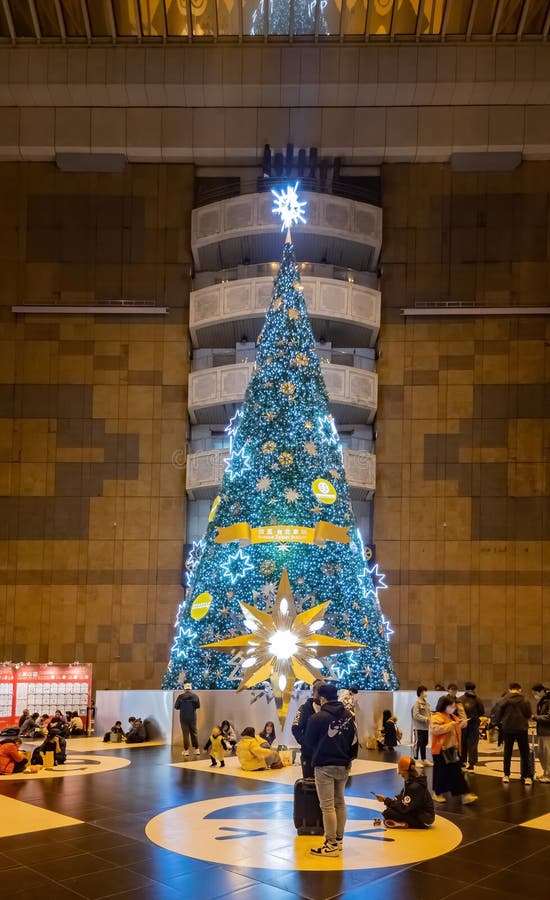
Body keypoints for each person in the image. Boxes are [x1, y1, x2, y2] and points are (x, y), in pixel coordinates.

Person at [302, 683, 358, 858]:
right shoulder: (349, 716)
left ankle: (331, 844)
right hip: (343, 765)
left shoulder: (318, 718)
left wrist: (315, 756)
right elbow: (355, 741)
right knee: (339, 802)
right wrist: (348, 760)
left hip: (324, 766)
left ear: (322, 698)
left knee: (327, 806)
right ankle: (339, 841)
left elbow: (308, 743)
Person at [430, 694, 477, 805]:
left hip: (452, 749)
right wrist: (451, 725)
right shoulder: (436, 717)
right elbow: (435, 730)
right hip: (441, 750)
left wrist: (460, 709)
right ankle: (439, 793)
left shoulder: (453, 717)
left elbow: (463, 724)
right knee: (443, 772)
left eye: (454, 706)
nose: (453, 708)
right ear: (444, 705)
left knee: (455, 772)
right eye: (451, 706)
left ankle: (464, 794)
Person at [375, 756, 435, 829]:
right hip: (420, 814)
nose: (399, 773)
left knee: (388, 813)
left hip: (425, 820)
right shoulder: (412, 781)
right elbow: (402, 797)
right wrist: (391, 800)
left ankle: (405, 824)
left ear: (405, 770)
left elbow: (403, 808)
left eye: (400, 770)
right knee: (391, 807)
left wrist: (386, 800)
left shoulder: (414, 787)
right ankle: (403, 823)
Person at [492, 682, 532, 784]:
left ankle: (506, 775)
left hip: (507, 729)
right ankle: (527, 776)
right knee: (525, 753)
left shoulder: (502, 700)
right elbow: (528, 714)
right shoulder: (525, 700)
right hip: (521, 729)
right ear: (520, 689)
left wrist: (497, 723)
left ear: (510, 689)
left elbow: (497, 714)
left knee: (507, 752)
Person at [292, 678, 324, 778]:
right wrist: (305, 743)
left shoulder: (329, 709)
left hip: (326, 755)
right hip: (308, 754)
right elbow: (295, 727)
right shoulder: (304, 709)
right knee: (308, 783)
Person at [458, 682, 485, 770]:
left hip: (462, 723)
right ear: (474, 688)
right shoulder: (478, 699)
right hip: (473, 724)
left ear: (465, 688)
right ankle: (471, 764)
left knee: (462, 743)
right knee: (472, 744)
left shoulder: (460, 699)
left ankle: (462, 762)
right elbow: (482, 711)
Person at [175, 683, 201, 757]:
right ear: (190, 688)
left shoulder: (180, 697)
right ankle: (196, 749)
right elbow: (198, 706)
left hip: (183, 718)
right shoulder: (195, 696)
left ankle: (186, 750)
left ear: (184, 689)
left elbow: (176, 707)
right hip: (192, 717)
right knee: (194, 732)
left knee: (185, 734)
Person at [532, 683, 550, 783]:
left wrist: (535, 717)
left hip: (548, 732)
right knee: (542, 754)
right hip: (542, 731)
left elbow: (549, 717)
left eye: (536, 693)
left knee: (548, 754)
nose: (535, 695)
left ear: (542, 691)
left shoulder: (548, 701)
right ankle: (545, 773)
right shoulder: (543, 701)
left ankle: (549, 775)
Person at [412, 685, 432, 767]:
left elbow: (429, 713)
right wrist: (426, 719)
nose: (426, 693)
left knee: (424, 743)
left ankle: (423, 759)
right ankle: (415, 759)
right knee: (418, 743)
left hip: (425, 727)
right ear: (420, 693)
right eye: (425, 691)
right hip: (418, 727)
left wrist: (431, 717)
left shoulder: (426, 703)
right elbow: (416, 715)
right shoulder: (417, 703)